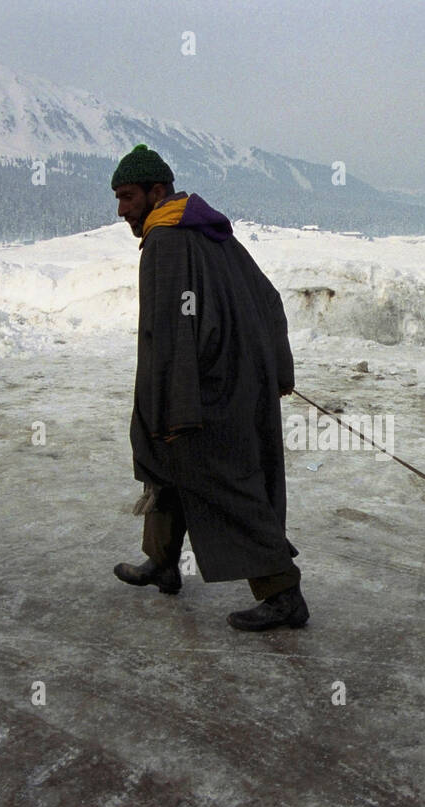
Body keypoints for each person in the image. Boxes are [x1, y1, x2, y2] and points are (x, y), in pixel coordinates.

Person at [110, 144, 308, 631]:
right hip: (236, 385)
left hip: (203, 396)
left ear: (159, 192)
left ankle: (283, 594)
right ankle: (161, 562)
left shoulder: (167, 241)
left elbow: (172, 334)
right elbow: (269, 299)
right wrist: (277, 371)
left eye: (129, 197)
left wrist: (173, 412)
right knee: (169, 469)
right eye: (117, 198)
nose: (122, 210)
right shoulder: (212, 234)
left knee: (226, 487)